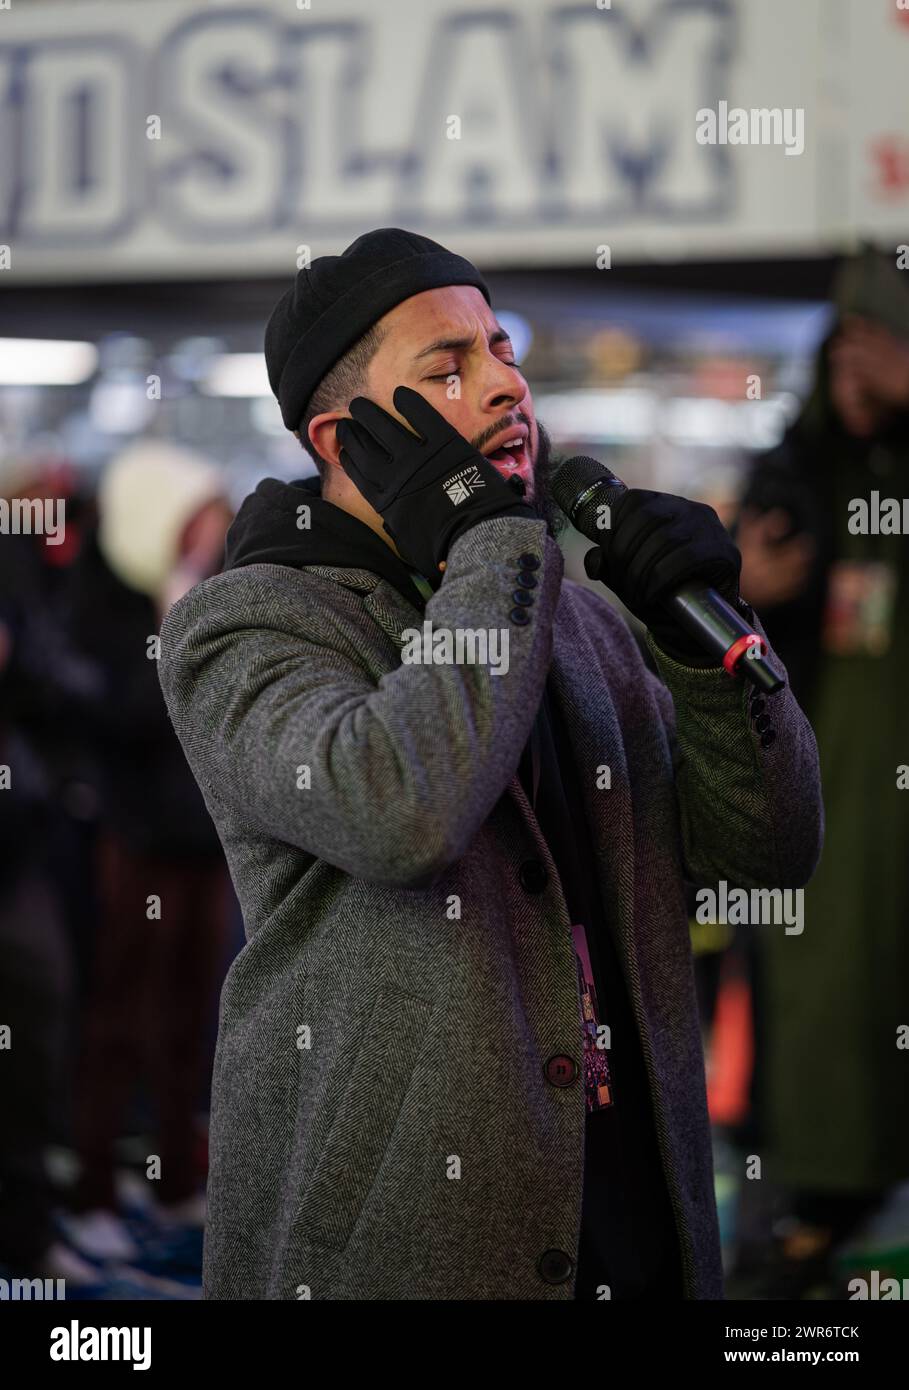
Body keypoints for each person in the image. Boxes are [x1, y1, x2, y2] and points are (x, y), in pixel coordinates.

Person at [157, 228, 823, 1300]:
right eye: (449, 369)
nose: (508, 385)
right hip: (411, 1251)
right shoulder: (248, 628)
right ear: (349, 435)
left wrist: (708, 640)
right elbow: (400, 808)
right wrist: (494, 538)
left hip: (637, 1231)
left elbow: (770, 850)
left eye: (501, 347)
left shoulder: (575, 617)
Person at [734, 249, 909, 1292]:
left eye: (880, 340)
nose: (860, 363)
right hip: (828, 787)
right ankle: (814, 1205)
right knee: (824, 997)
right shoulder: (796, 472)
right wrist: (746, 586)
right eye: (846, 342)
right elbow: (726, 632)